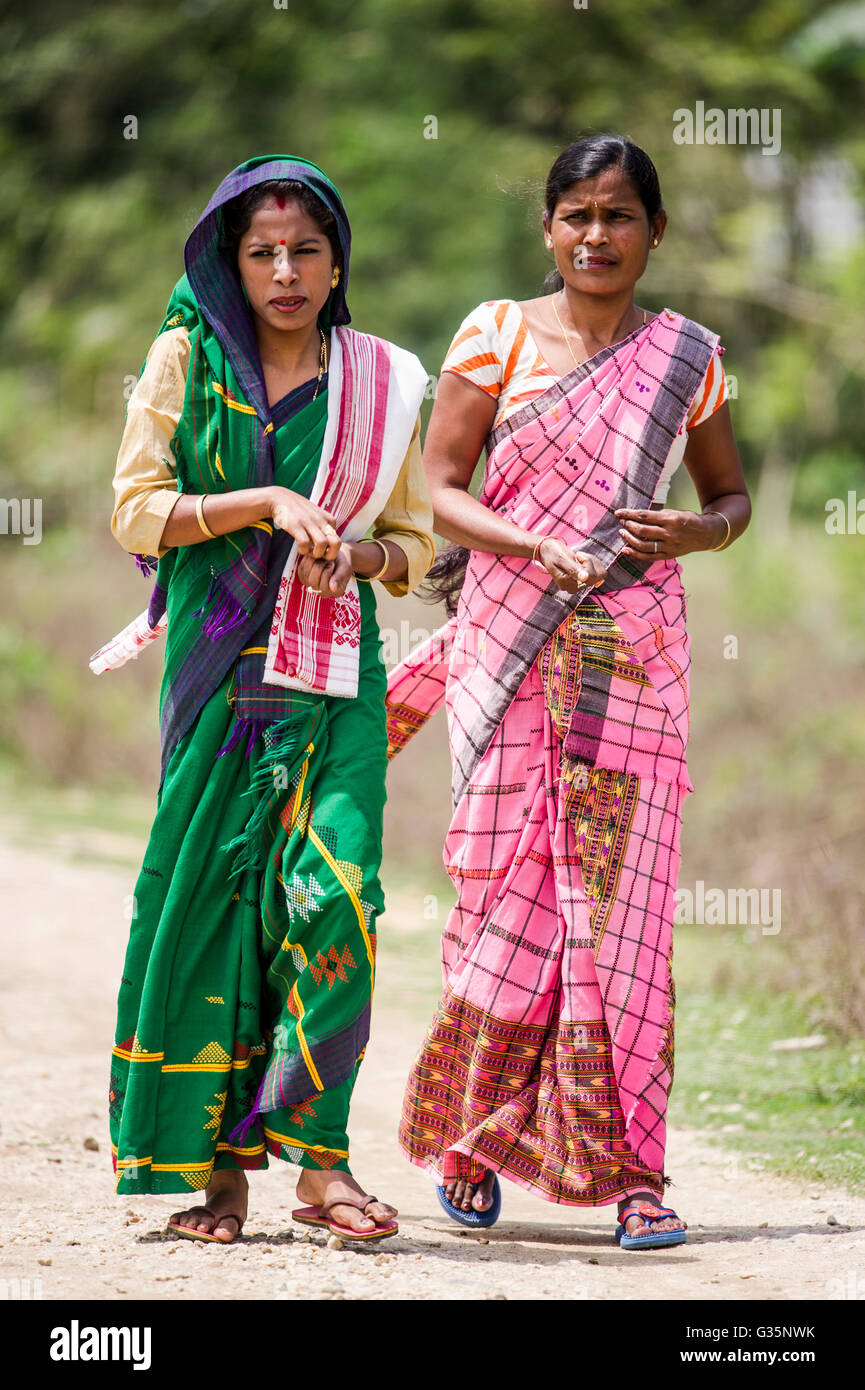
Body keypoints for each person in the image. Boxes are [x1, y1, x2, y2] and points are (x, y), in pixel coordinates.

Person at [384, 135, 751, 1249]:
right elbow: (440, 490)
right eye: (577, 215)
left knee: (624, 917)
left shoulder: (688, 355)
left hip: (633, 658)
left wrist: (698, 531)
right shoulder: (495, 334)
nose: (597, 236)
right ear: (547, 228)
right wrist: (533, 544)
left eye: (620, 216)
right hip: (508, 645)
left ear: (655, 232)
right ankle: (471, 1136)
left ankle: (633, 1171)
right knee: (505, 897)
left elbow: (731, 498)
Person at [94, 154, 435, 1244]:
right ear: (228, 263)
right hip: (216, 679)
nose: (284, 270)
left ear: (338, 263)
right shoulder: (184, 361)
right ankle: (217, 1175)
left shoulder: (380, 383)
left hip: (335, 675)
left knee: (337, 897)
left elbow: (417, 544)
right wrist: (266, 502)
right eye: (261, 252)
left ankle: (320, 1163)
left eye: (305, 250)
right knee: (215, 910)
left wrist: (363, 555)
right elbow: (136, 512)